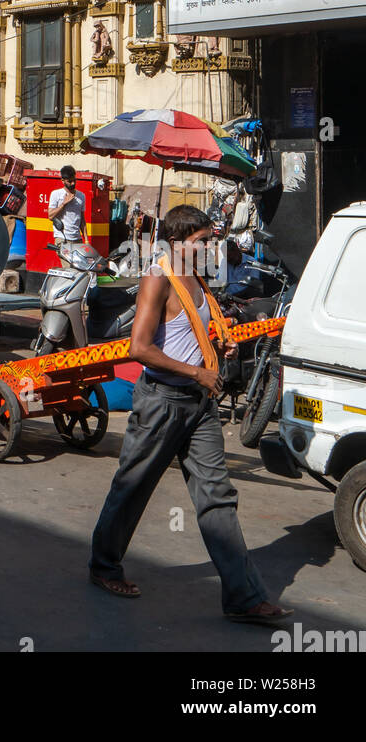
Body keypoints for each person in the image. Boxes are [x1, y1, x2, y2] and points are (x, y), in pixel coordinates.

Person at [88, 205, 291, 626]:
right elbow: (139, 348)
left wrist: (218, 350)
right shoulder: (157, 278)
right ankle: (104, 565)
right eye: (202, 241)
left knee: (217, 497)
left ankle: (243, 596)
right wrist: (196, 369)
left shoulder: (197, 279)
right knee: (133, 486)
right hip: (161, 403)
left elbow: (191, 334)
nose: (210, 247)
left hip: (197, 406)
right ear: (179, 242)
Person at [48, 166, 87, 247]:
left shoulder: (81, 196)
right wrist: (63, 204)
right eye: (69, 181)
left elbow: (82, 220)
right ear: (62, 180)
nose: (73, 183)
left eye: (74, 180)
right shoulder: (55, 194)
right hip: (62, 238)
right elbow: (50, 216)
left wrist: (86, 240)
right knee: (66, 260)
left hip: (77, 239)